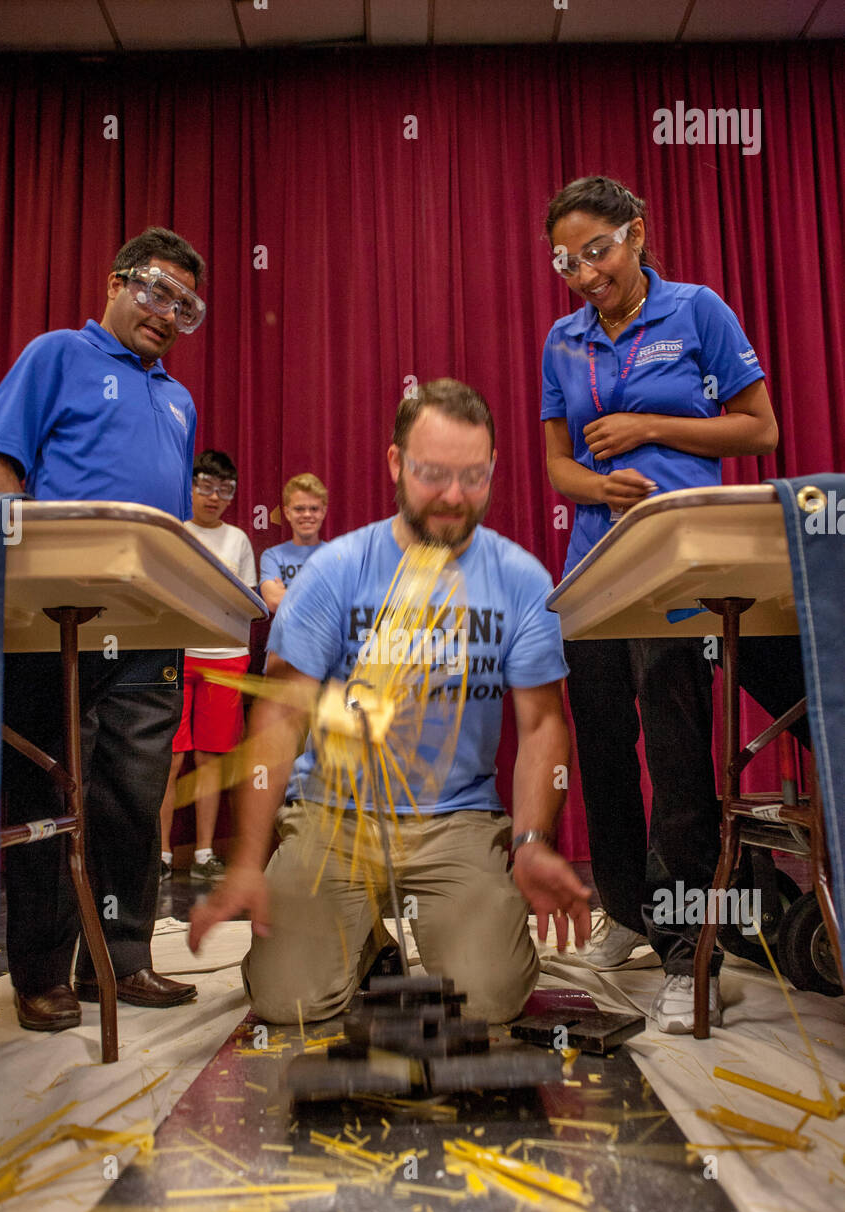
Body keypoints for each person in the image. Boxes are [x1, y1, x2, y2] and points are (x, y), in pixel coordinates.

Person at [190, 378, 592, 1023]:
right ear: (396, 464)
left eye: (475, 477)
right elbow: (278, 716)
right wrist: (246, 860)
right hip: (332, 812)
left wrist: (535, 839)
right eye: (434, 474)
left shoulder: (521, 579)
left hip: (455, 819)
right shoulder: (333, 570)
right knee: (289, 1001)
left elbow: (544, 724)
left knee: (489, 999)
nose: (455, 498)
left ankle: (422, 931)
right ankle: (369, 942)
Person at [541, 175, 778, 1033]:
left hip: (680, 575)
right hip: (594, 577)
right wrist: (597, 480)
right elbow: (559, 465)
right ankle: (630, 913)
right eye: (568, 260)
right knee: (605, 755)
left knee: (679, 762)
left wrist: (649, 428)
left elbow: (760, 429)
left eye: (598, 250)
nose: (585, 273)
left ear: (636, 233)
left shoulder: (697, 310)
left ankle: (691, 954)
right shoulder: (562, 339)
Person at [0, 227, 208, 1030]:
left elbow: (174, 522)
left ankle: (123, 958)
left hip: (149, 627)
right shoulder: (56, 355)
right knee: (50, 788)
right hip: (53, 623)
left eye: (185, 305)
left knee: (131, 799)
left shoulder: (177, 398)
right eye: (154, 291)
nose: (167, 313)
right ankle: (41, 972)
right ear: (115, 282)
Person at [159, 450, 257, 882]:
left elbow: (249, 604)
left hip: (225, 659)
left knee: (212, 758)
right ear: (191, 486)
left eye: (225, 490)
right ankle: (160, 855)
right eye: (206, 486)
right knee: (170, 758)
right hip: (176, 656)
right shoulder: (173, 531)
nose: (215, 497)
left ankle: (202, 854)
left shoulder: (238, 540)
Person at [258, 473, 327, 613]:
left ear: (323, 512)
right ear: (287, 512)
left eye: (314, 509)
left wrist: (288, 594)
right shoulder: (272, 556)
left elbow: (345, 605)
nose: (307, 515)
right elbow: (274, 601)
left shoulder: (339, 556)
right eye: (299, 509)